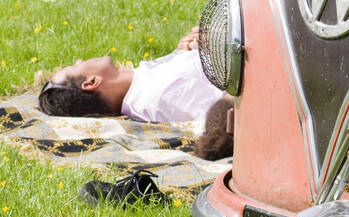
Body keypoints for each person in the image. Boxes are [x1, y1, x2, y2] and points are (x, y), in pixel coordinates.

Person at [38, 27, 233, 160]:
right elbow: (232, 104)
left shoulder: (143, 82)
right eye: (74, 66)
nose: (79, 60)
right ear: (91, 82)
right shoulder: (157, 96)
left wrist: (187, 51)